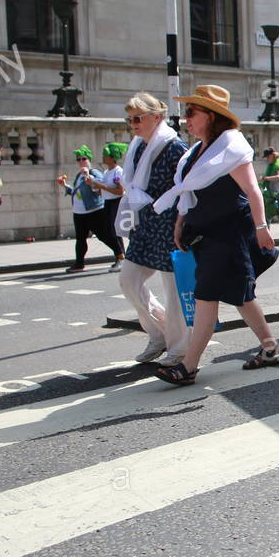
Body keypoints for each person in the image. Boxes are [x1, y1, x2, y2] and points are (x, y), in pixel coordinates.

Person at [152, 84, 279, 385]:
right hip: (207, 233)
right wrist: (180, 221)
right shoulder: (197, 151)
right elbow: (190, 193)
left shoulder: (231, 146)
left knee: (206, 296)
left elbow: (252, 191)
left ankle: (188, 366)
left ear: (211, 115)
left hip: (229, 234)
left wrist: (263, 229)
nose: (186, 119)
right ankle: (270, 348)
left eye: (191, 112)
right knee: (241, 296)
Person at [114, 91, 190, 365]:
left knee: (173, 291)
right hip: (145, 225)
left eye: (138, 118)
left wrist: (181, 224)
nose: (133, 123)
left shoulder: (174, 147)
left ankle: (180, 349)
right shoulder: (137, 147)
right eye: (130, 119)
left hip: (169, 226)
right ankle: (158, 334)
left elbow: (186, 189)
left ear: (156, 117)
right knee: (129, 281)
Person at [57, 145, 122, 273]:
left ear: (89, 160)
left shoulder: (93, 172)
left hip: (94, 210)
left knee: (104, 235)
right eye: (78, 159)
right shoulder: (78, 175)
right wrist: (64, 186)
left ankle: (120, 255)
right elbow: (76, 192)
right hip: (79, 211)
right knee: (80, 239)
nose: (81, 161)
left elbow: (100, 183)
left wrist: (89, 177)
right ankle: (79, 263)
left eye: (84, 159)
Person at [90, 143, 128, 272]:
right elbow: (104, 191)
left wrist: (101, 186)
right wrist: (94, 186)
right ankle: (120, 256)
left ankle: (121, 258)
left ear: (112, 158)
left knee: (114, 231)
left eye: (105, 155)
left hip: (116, 203)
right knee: (107, 231)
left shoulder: (118, 171)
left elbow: (120, 191)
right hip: (107, 202)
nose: (103, 157)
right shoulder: (106, 172)